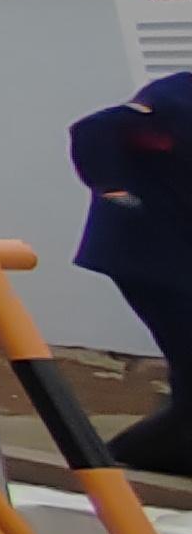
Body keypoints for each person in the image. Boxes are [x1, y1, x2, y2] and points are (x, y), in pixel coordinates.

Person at [76, 72, 192, 473]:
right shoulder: (178, 96)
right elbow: (94, 128)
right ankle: (113, 461)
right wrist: (112, 189)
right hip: (147, 255)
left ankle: (144, 456)